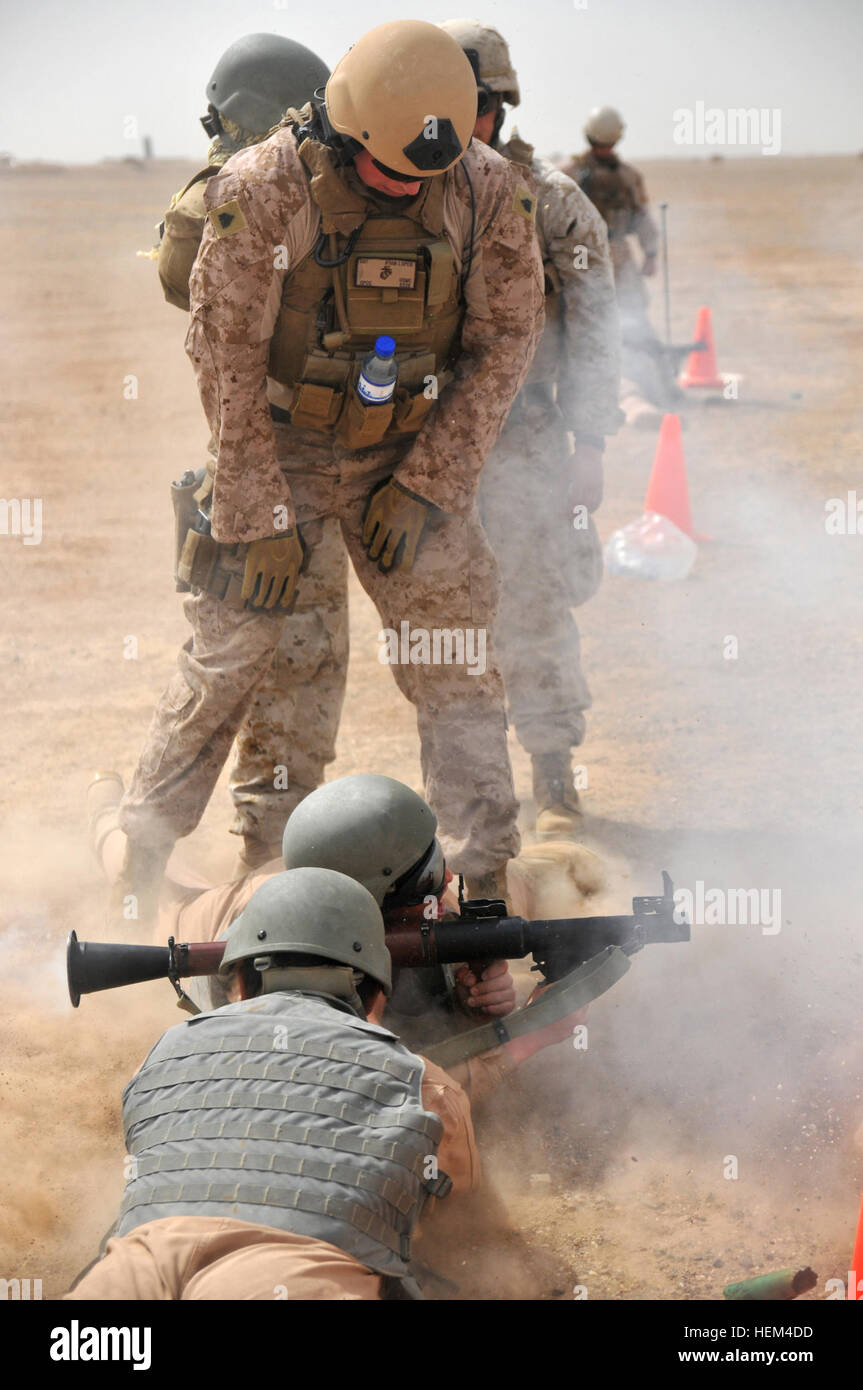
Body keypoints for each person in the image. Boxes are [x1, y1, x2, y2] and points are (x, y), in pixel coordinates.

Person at [115, 19, 545, 922]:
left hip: (412, 446)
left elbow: (506, 341)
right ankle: (143, 866)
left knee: (454, 660)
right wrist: (257, 515)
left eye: (426, 173)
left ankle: (481, 884)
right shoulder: (263, 187)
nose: (406, 186)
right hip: (280, 449)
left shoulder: (484, 188)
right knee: (230, 657)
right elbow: (224, 356)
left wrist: (430, 480)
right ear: (344, 127)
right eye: (388, 170)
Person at [66, 865, 588, 1300]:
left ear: (237, 984)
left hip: (133, 1263)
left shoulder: (161, 1055)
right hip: (288, 1277)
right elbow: (465, 1225)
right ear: (376, 998)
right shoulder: (420, 1080)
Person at [153, 35, 354, 876]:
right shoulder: (221, 200)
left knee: (305, 670)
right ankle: (139, 848)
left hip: (319, 473)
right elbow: (187, 269)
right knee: (222, 675)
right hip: (245, 477)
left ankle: (272, 856)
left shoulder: (322, 192)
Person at [439, 21, 622, 841]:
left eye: (462, 105)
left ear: (495, 106)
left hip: (529, 442)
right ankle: (465, 803)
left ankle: (554, 783)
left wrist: (590, 445)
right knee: (442, 628)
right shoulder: (408, 191)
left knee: (537, 610)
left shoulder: (551, 200)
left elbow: (594, 326)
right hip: (430, 448)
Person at [89, 770, 517, 1037]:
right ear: (373, 895)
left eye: (436, 859)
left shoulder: (404, 892)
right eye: (427, 876)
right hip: (226, 909)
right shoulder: (261, 947)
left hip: (312, 877)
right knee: (168, 887)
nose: (444, 881)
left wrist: (470, 1002)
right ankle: (104, 811)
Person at [562, 107, 677, 425]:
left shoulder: (614, 175)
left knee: (633, 319)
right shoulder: (574, 174)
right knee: (595, 323)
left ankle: (655, 384)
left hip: (601, 255)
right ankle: (608, 389)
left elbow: (641, 216)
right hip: (587, 255)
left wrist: (651, 253)